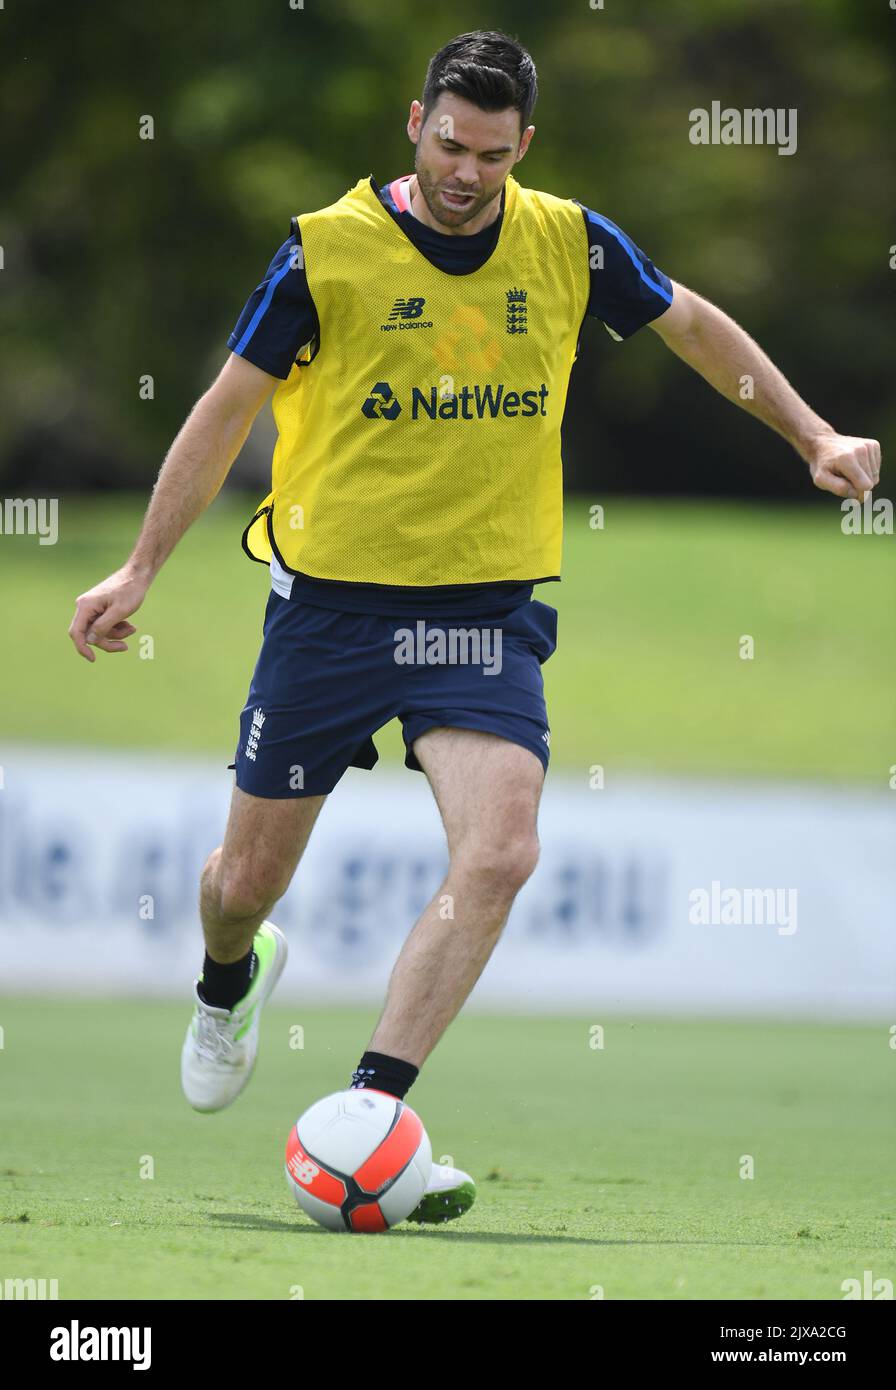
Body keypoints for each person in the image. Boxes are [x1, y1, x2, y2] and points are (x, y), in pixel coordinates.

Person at [68, 30, 881, 1224]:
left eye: (492, 155)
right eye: (450, 144)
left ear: (523, 149)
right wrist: (140, 567)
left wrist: (811, 433)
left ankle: (370, 1111)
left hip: (481, 612)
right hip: (331, 609)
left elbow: (695, 326)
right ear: (414, 123)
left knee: (499, 851)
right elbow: (221, 410)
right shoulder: (324, 252)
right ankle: (228, 978)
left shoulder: (567, 240)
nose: (465, 172)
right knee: (242, 882)